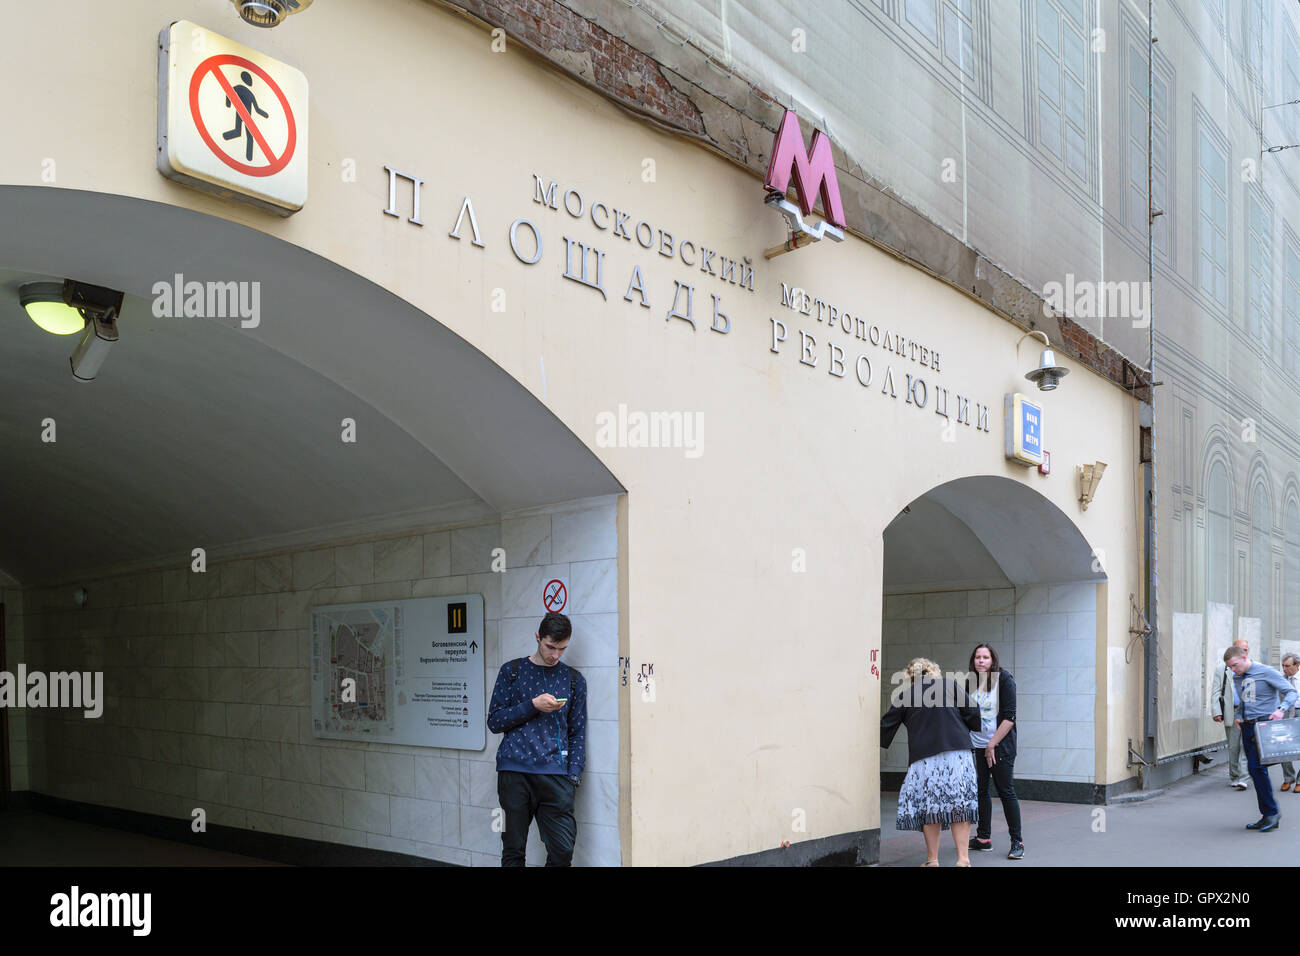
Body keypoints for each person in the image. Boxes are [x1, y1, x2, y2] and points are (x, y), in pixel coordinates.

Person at [486, 611, 587, 866]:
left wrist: (573, 775)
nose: (555, 655)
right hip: (514, 774)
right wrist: (532, 705)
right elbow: (495, 722)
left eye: (562, 649)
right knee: (513, 851)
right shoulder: (512, 671)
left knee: (562, 851)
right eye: (550, 646)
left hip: (556, 776)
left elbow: (578, 731)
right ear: (538, 638)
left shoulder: (574, 680)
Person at [881, 657, 981, 866]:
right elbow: (973, 713)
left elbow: (885, 728)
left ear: (911, 677)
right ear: (935, 672)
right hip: (958, 753)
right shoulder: (950, 685)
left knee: (930, 808)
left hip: (925, 758)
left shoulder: (906, 695)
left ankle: (932, 859)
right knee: (959, 805)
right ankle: (963, 859)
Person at [1224, 645, 1299, 832]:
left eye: (1235, 665)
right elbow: (1245, 700)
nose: (1233, 670)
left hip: (1265, 726)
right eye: (1230, 667)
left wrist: (1281, 710)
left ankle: (1272, 813)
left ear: (1244, 656)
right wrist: (1239, 715)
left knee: (1257, 768)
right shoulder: (1238, 677)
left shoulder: (1266, 672)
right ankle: (1268, 814)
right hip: (1248, 727)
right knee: (1255, 770)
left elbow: (1291, 692)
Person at [966, 643, 1024, 860]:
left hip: (1000, 747)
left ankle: (1017, 841)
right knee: (981, 791)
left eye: (985, 657)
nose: (981, 661)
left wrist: (992, 744)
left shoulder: (1004, 680)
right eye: (977, 657)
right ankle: (983, 838)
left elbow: (1010, 717)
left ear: (993, 661)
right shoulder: (970, 682)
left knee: (1005, 791)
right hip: (977, 745)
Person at [1212, 639, 1250, 790]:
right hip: (1231, 710)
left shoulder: (1253, 667)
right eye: (1241, 649)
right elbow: (1215, 691)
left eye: (1246, 650)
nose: (1243, 652)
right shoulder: (1223, 669)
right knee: (1233, 746)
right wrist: (1216, 711)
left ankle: (1244, 777)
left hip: (1248, 712)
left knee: (1246, 745)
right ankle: (1234, 776)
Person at [1281, 653, 1298, 793]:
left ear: (1297, 666)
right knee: (1283, 746)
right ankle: (1288, 777)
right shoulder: (1281, 680)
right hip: (1286, 713)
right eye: (1283, 666)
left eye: (1287, 666)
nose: (1284, 669)